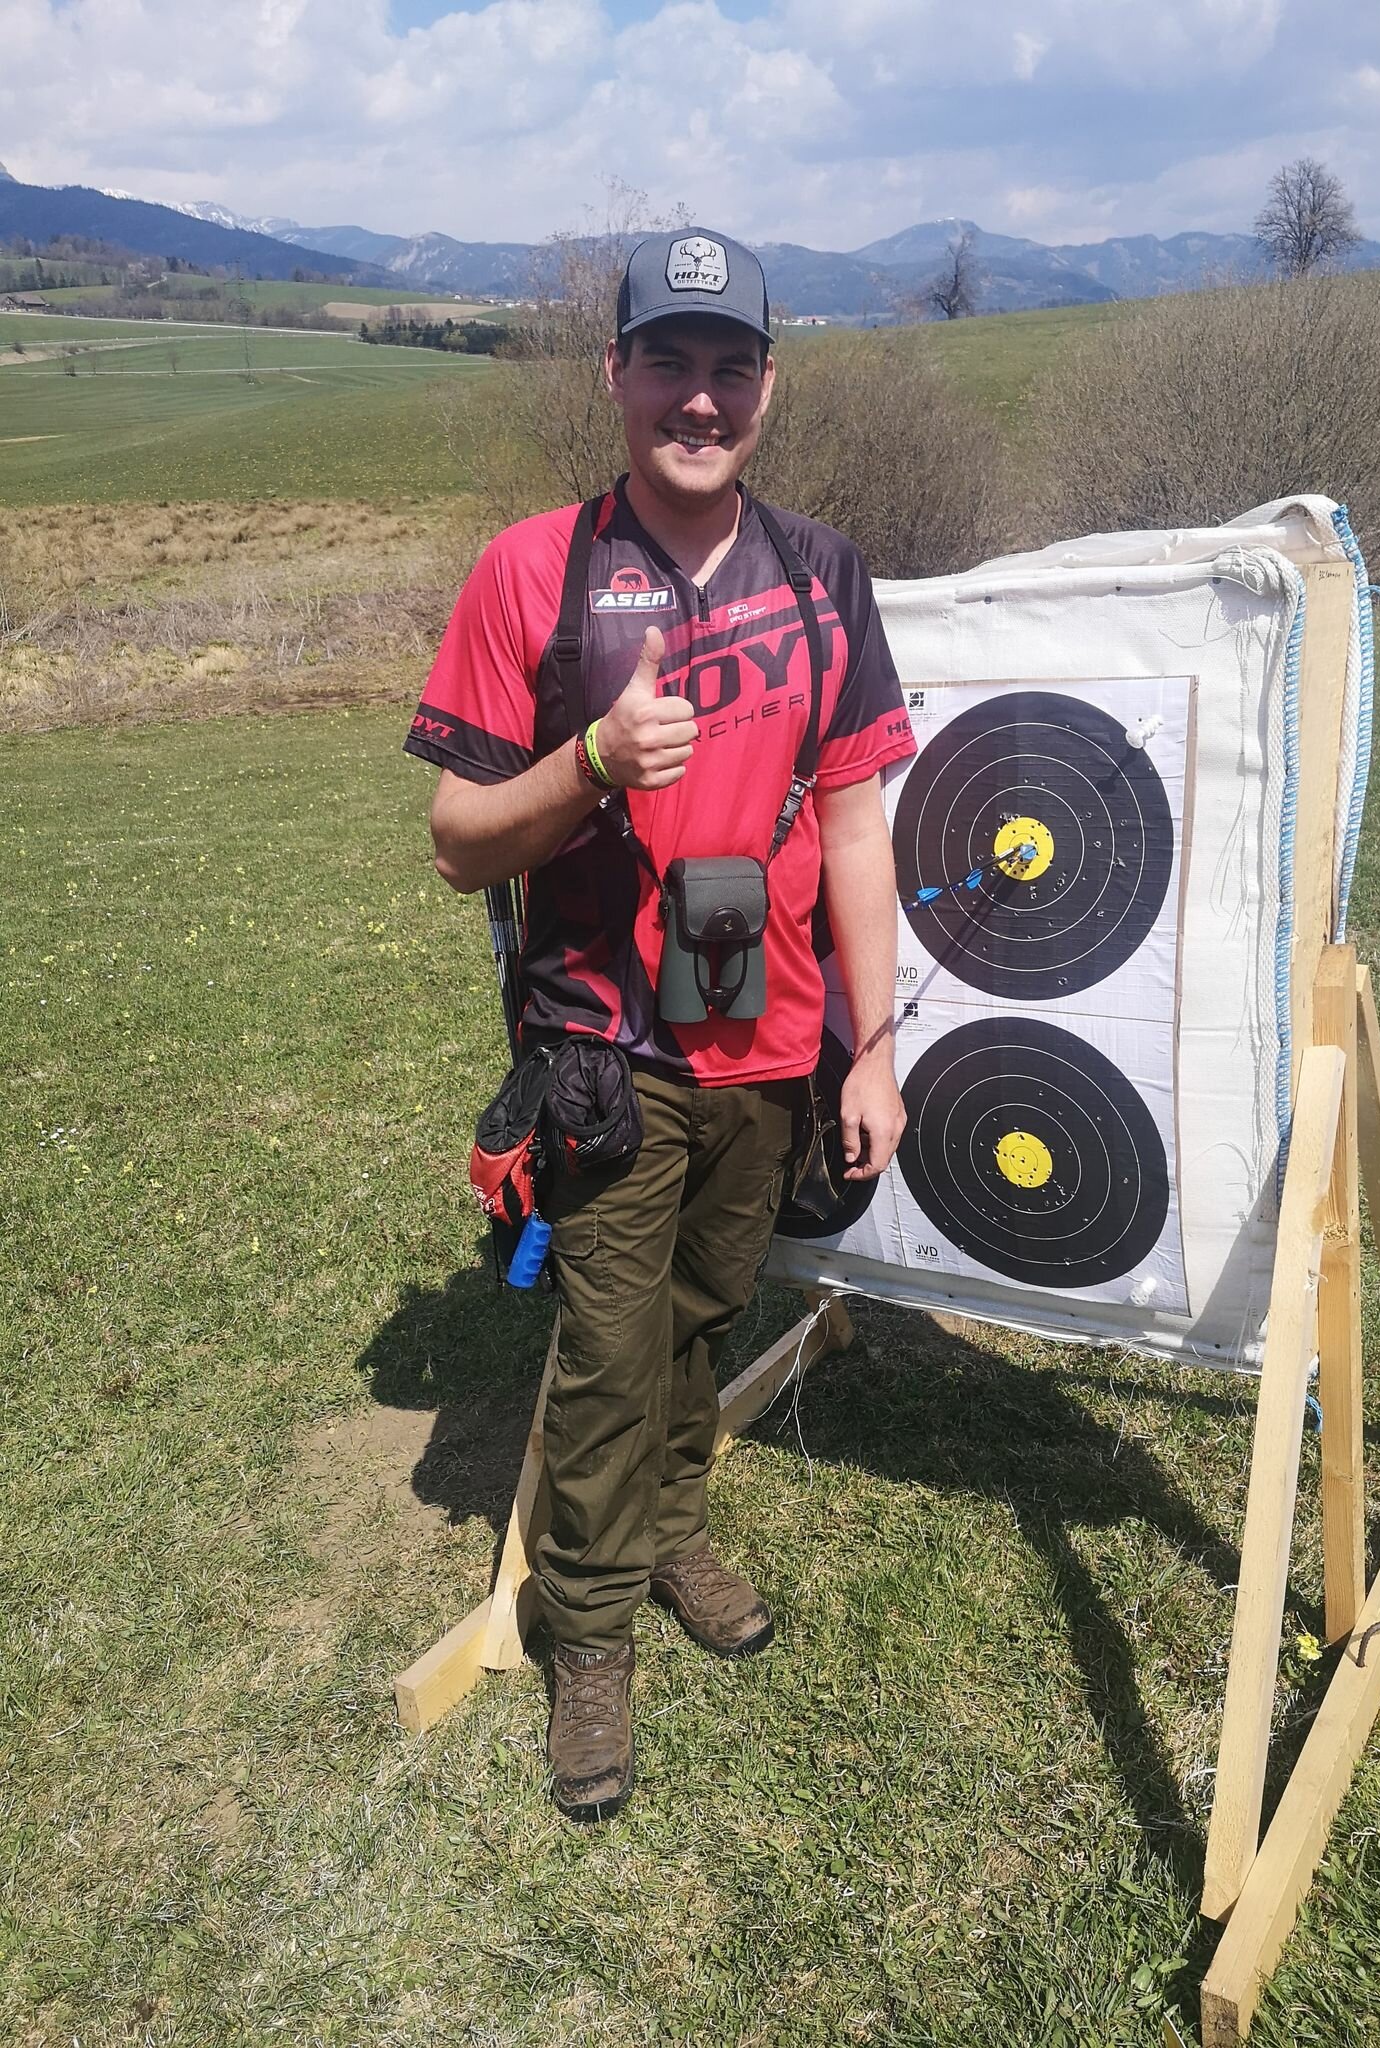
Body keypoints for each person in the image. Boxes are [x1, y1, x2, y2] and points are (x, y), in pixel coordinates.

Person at [404, 227, 914, 1821]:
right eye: (670, 362)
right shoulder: (531, 569)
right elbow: (454, 840)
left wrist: (878, 1049)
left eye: (732, 366)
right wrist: (592, 769)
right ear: (615, 373)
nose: (702, 398)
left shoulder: (825, 573)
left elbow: (852, 830)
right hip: (604, 1059)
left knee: (703, 1317)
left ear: (769, 382)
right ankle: (594, 1631)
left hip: (767, 1052)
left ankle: (674, 1525)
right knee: (610, 1358)